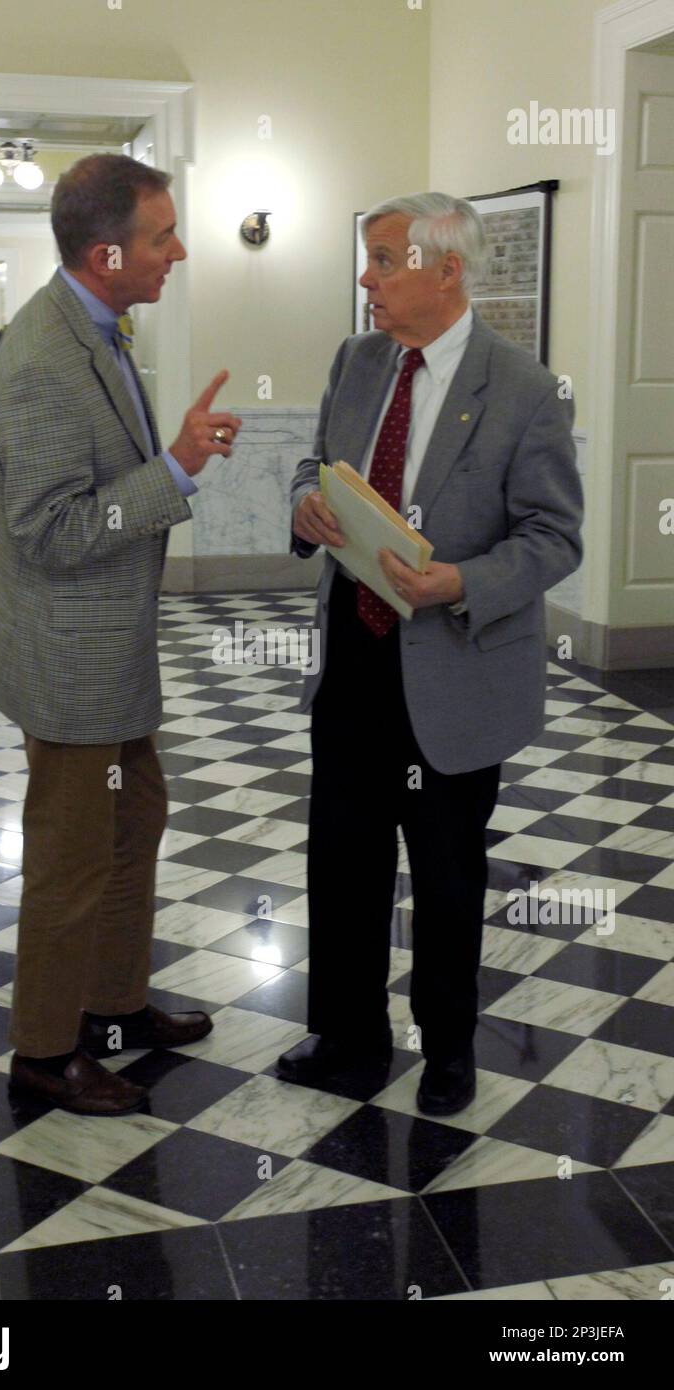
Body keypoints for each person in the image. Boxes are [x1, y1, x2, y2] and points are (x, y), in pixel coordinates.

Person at [278, 192, 583, 1117]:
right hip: (358, 662)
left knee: (448, 872)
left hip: (453, 666)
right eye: (367, 260)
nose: (367, 279)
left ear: (446, 271)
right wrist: (305, 505)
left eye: (384, 261)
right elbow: (313, 464)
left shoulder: (524, 389)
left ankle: (449, 1050)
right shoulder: (358, 360)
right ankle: (348, 1039)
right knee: (342, 857)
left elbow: (554, 536)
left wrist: (463, 583)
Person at [0, 153, 242, 1116]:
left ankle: (115, 1008)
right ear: (105, 249)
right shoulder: (42, 358)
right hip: (71, 662)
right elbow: (49, 532)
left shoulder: (97, 328)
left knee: (136, 821)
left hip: (108, 651)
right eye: (162, 236)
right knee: (72, 857)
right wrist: (177, 471)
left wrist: (174, 461)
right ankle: (44, 1051)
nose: (178, 252)